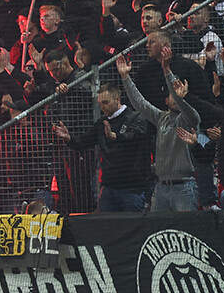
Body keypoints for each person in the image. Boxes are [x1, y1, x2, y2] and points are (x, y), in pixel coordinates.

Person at [117, 53, 202, 212]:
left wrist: (167, 71)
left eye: (178, 95)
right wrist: (125, 78)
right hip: (161, 187)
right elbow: (140, 103)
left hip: (184, 187)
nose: (176, 97)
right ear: (166, 101)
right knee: (157, 232)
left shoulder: (190, 117)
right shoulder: (161, 117)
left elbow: (181, 103)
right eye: (172, 95)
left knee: (185, 232)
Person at [53, 81, 154, 212]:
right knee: (106, 228)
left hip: (132, 188)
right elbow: (82, 142)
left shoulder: (136, 118)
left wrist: (115, 136)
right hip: (109, 187)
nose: (102, 107)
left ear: (117, 99)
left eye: (105, 103)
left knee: (133, 226)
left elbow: (134, 137)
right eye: (100, 104)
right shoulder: (102, 124)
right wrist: (69, 138)